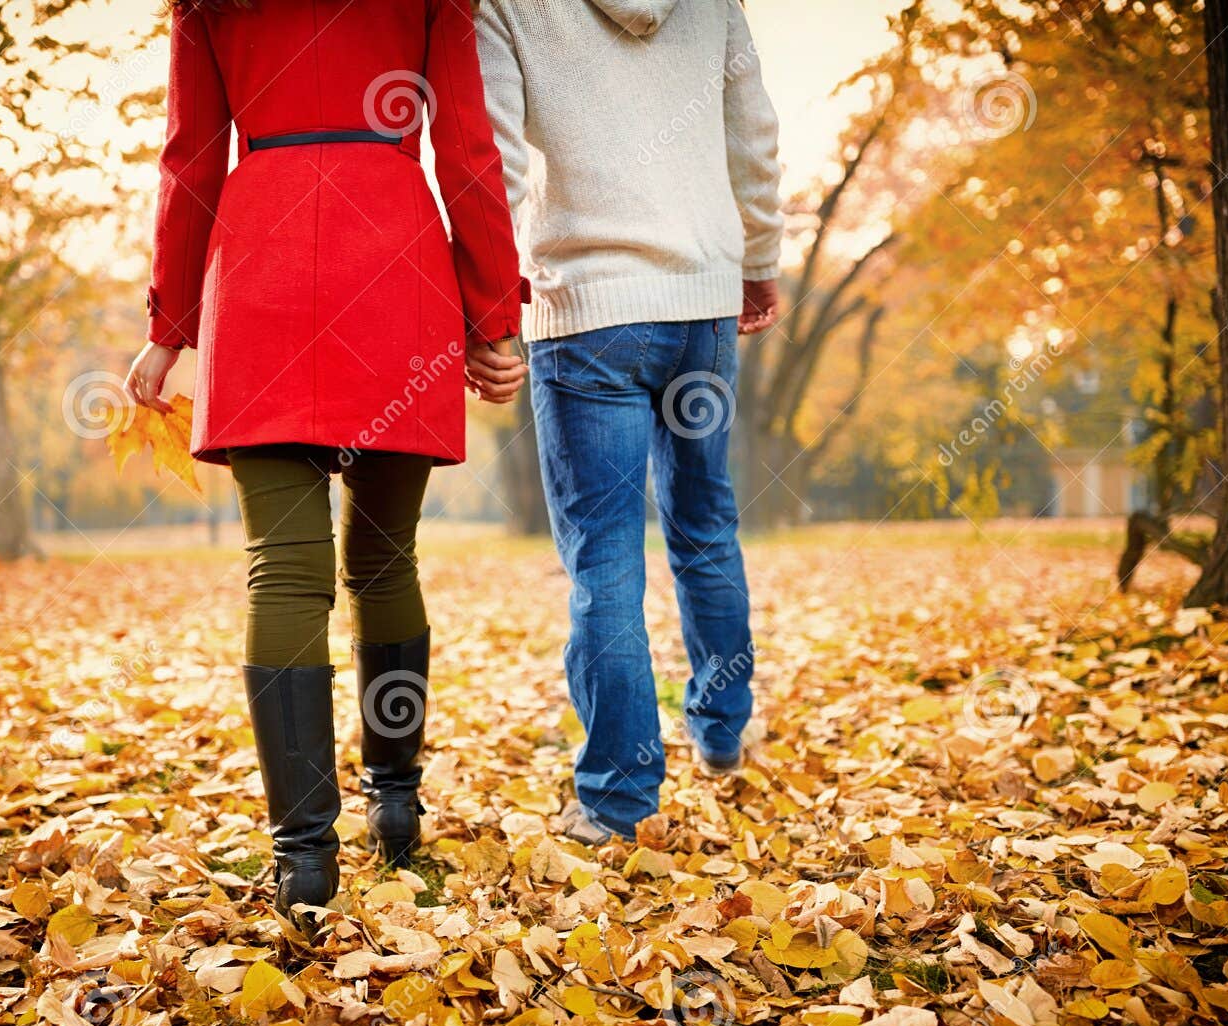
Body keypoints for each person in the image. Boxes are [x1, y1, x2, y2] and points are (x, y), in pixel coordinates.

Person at [124, 0, 529, 911]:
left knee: (283, 571)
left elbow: (190, 160)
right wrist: (493, 314)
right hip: (394, 262)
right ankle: (396, 801)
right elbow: (469, 151)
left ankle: (303, 856)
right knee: (385, 560)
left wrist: (169, 325)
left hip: (260, 263)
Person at [474, 0, 783, 842]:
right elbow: (752, 128)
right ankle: (721, 728)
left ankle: (618, 797)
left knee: (605, 557)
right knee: (705, 523)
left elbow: (492, 161)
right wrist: (758, 258)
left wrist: (488, 305)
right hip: (701, 306)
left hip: (588, 311)